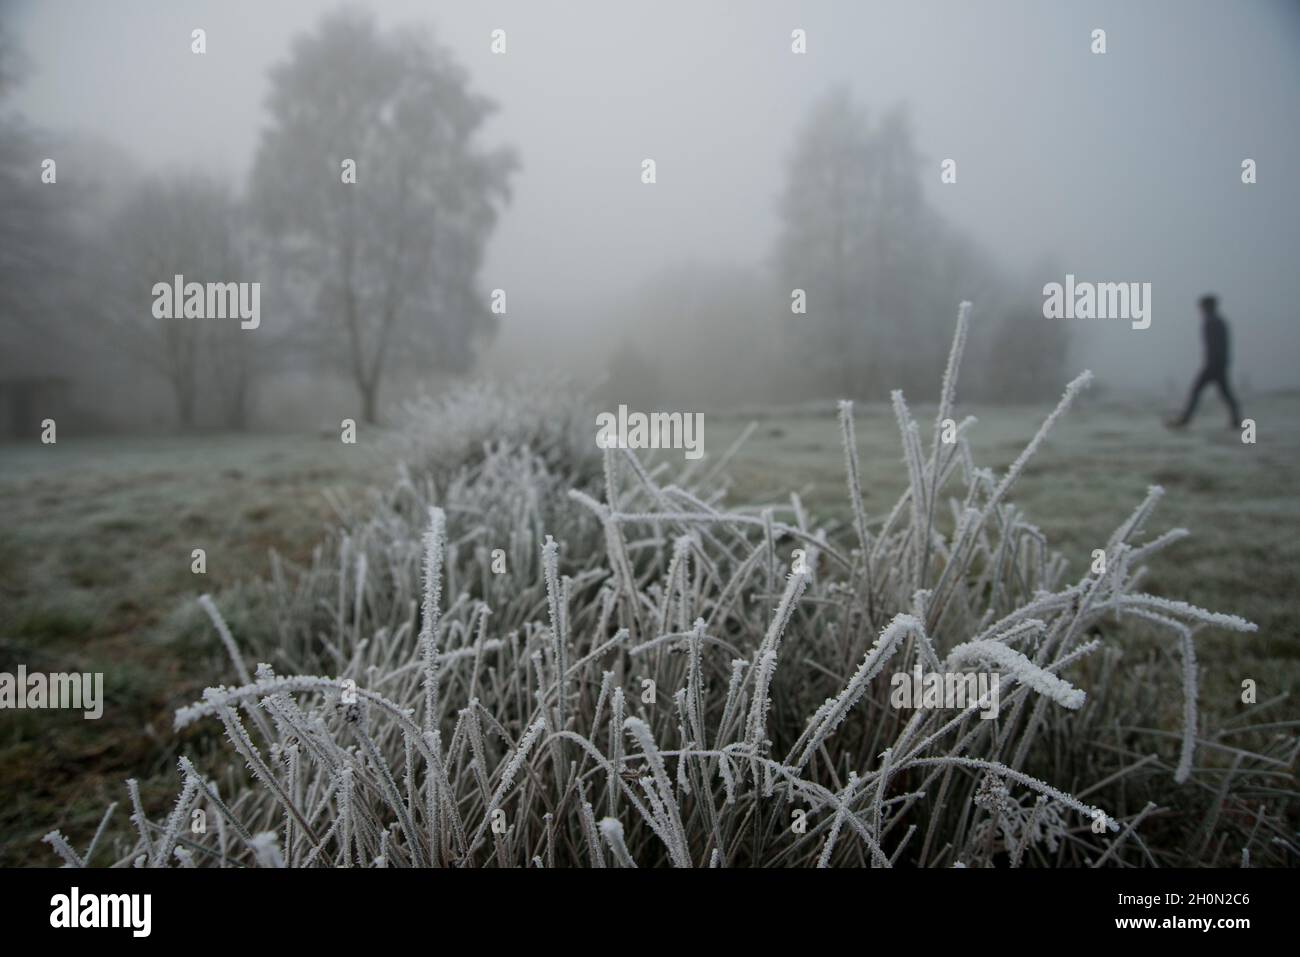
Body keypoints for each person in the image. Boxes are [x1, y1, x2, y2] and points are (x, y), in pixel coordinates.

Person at [1168, 294, 1242, 429]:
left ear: (1207, 307)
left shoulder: (1212, 322)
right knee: (1225, 394)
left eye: (1202, 307)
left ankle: (1185, 421)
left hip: (1213, 364)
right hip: (1219, 364)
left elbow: (1216, 346)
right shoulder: (1218, 321)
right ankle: (1236, 421)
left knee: (1197, 391)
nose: (1200, 310)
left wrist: (1213, 364)